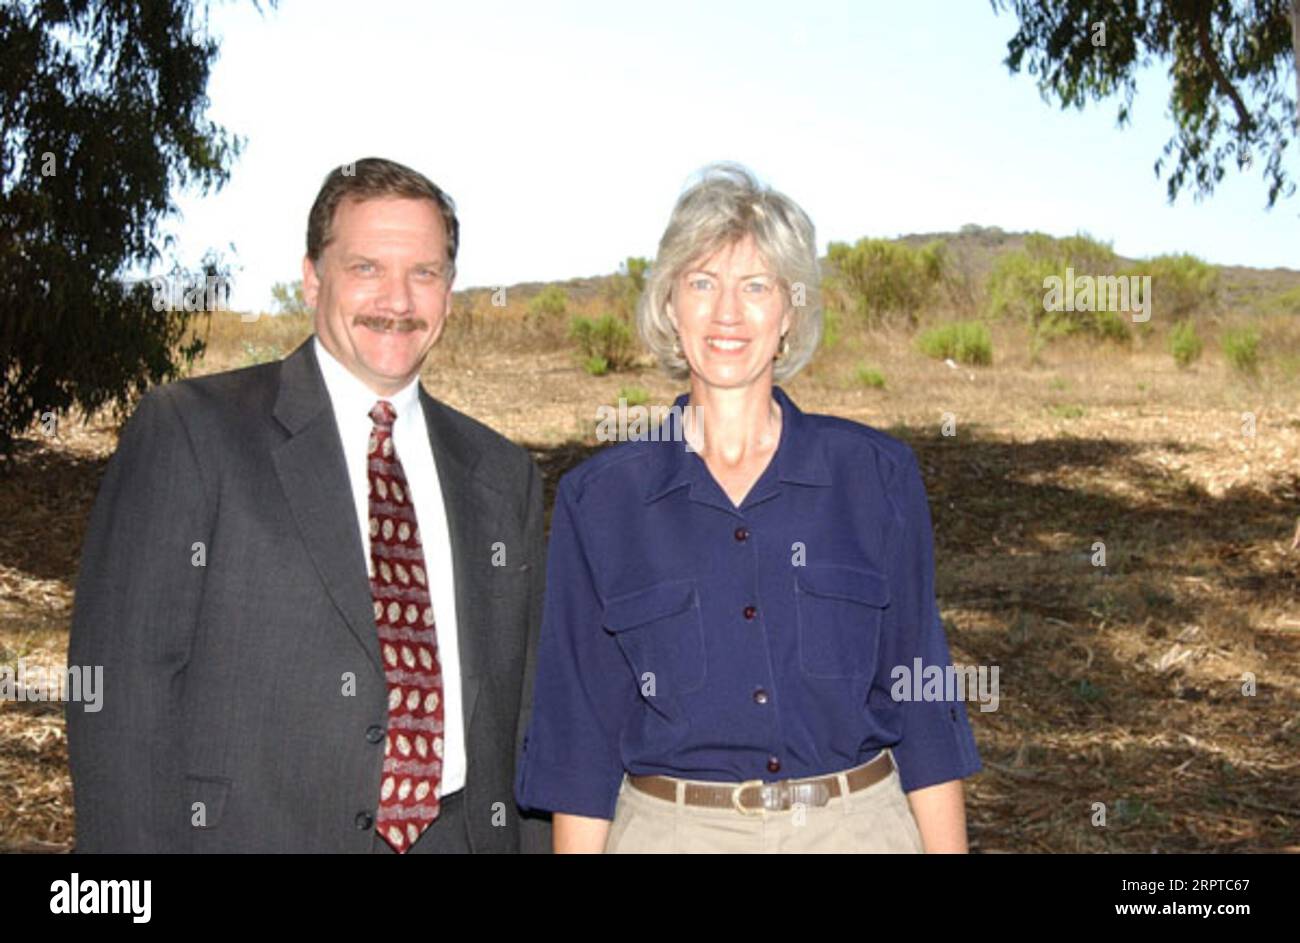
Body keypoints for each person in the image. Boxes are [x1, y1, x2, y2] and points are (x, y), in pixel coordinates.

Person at [67, 157, 549, 854]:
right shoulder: (194, 433)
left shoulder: (502, 474)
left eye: (425, 272)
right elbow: (121, 696)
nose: (398, 299)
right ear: (312, 278)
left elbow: (525, 710)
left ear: (449, 288)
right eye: (366, 268)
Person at [515, 163, 981, 853]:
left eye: (755, 286)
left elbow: (925, 707)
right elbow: (578, 739)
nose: (726, 313)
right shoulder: (602, 500)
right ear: (670, 305)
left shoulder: (875, 478)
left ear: (790, 311)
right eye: (702, 283)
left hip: (856, 828)